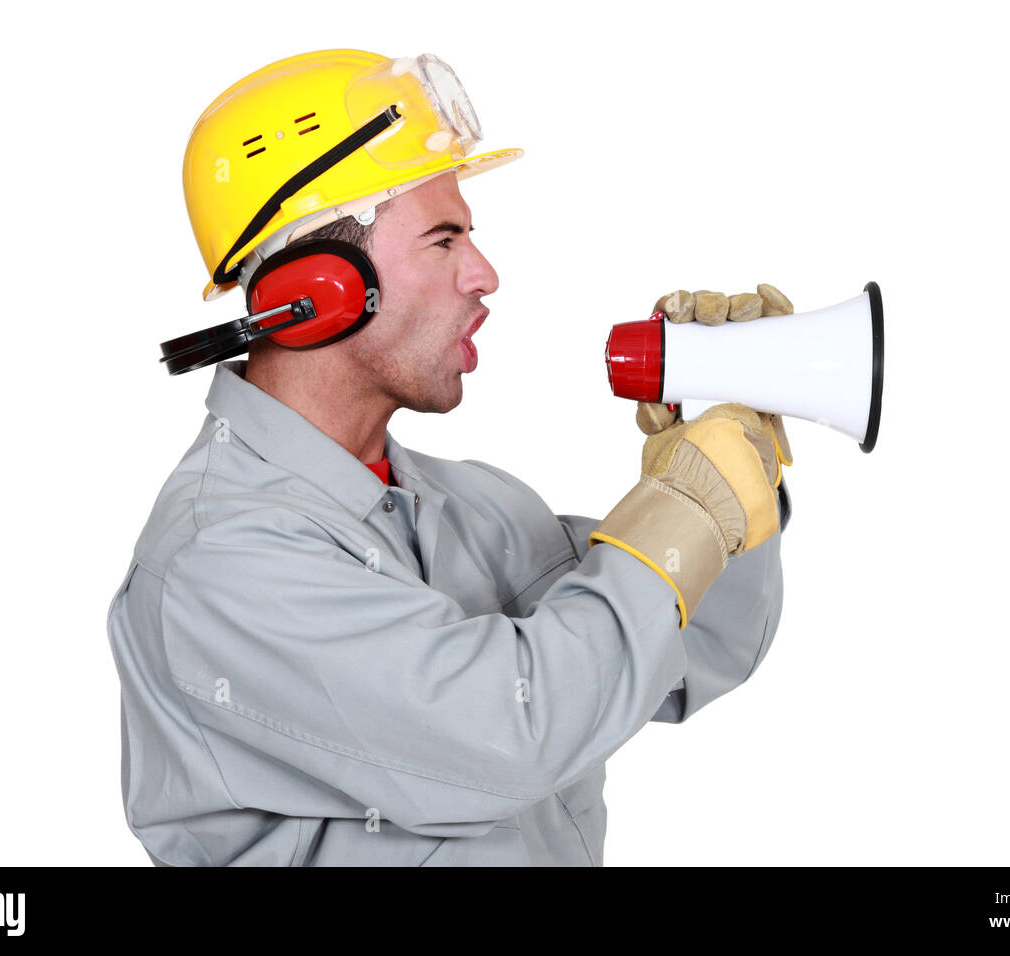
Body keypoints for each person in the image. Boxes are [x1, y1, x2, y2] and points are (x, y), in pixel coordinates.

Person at [106, 49, 795, 866]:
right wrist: (679, 514)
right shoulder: (222, 557)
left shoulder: (477, 508)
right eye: (444, 239)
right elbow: (511, 734)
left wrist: (730, 449)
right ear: (321, 288)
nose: (485, 274)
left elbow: (697, 651)